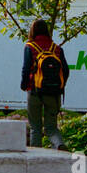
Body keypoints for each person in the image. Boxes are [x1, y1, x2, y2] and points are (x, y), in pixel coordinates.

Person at [21, 18, 69, 150]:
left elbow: (26, 69)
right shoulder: (57, 48)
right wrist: (60, 86)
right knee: (51, 127)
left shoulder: (29, 47)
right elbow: (65, 70)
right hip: (53, 94)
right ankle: (59, 145)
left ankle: (36, 156)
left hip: (35, 91)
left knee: (35, 127)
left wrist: (24, 85)